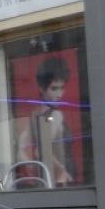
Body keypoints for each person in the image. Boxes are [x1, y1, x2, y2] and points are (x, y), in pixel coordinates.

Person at [16, 56, 77, 186]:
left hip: (47, 181)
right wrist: (61, 170)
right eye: (54, 88)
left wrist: (33, 170)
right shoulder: (56, 115)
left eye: (62, 88)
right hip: (63, 181)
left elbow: (21, 150)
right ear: (42, 88)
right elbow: (41, 151)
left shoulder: (35, 114)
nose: (59, 94)